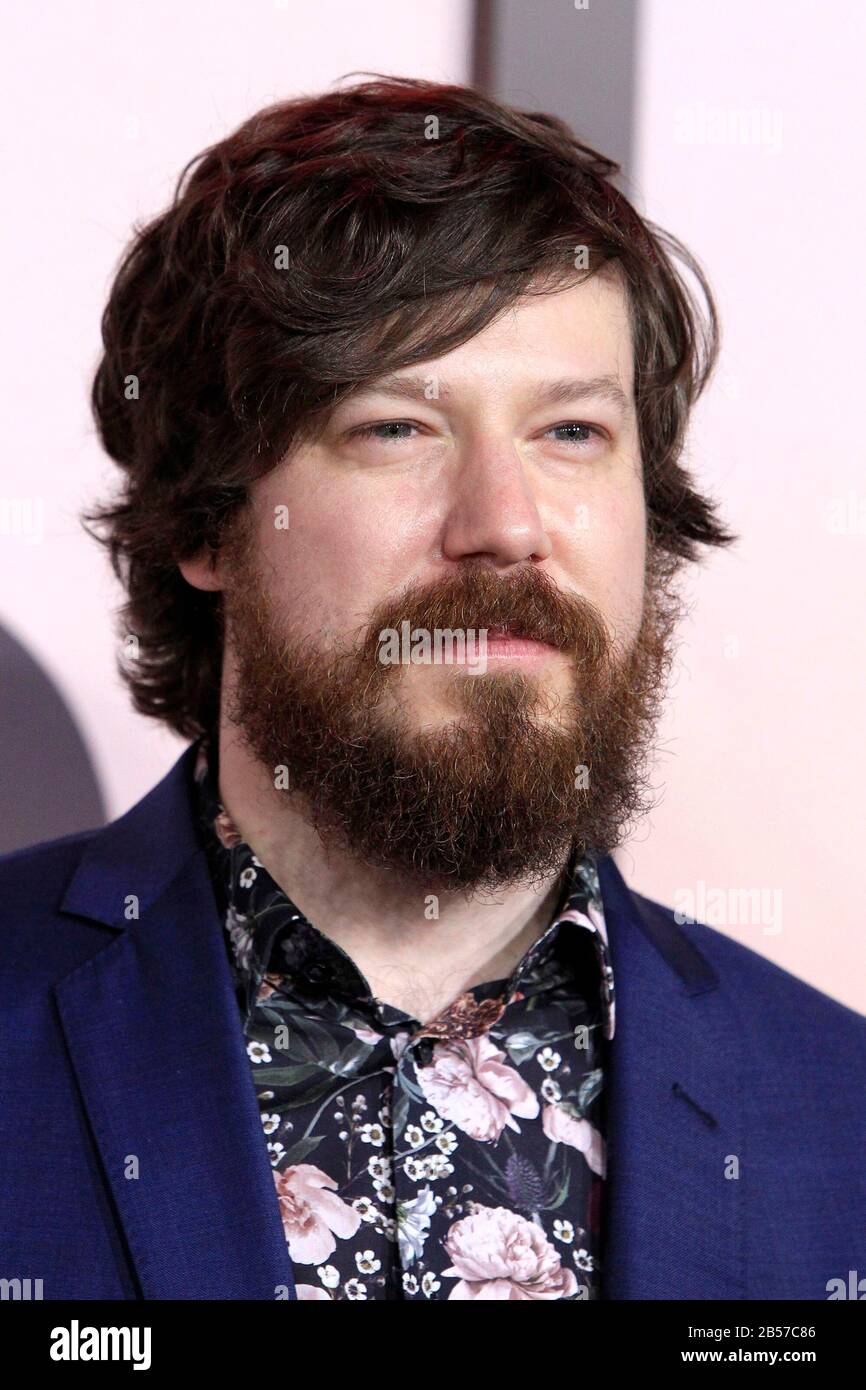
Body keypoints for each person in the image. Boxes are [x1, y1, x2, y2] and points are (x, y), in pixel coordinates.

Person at [1, 76, 863, 1302]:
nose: (505, 527)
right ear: (206, 519)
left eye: (570, 432)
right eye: (396, 428)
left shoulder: (840, 1118)